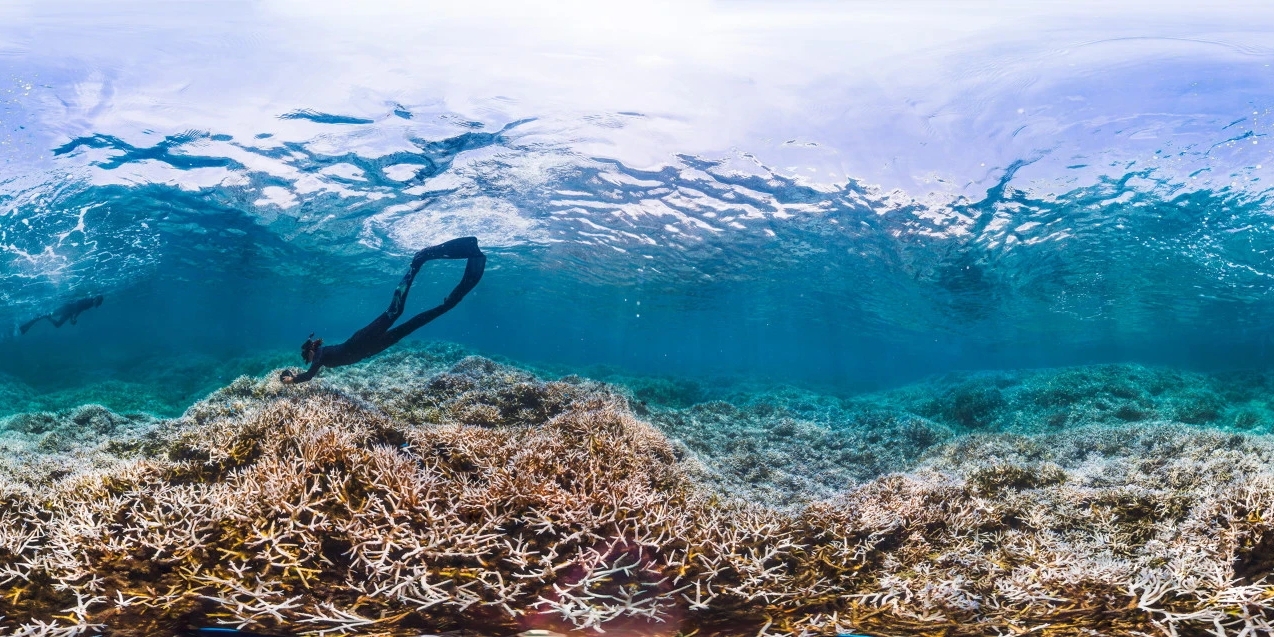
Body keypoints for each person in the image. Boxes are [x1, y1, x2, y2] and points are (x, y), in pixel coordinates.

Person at [280, 236, 486, 384]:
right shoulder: (319, 357)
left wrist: (290, 380)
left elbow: (308, 375)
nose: (306, 360)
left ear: (310, 350)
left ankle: (416, 264)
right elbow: (309, 371)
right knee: (412, 325)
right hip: (369, 349)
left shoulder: (320, 354)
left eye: (305, 356)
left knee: (394, 312)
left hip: (361, 341)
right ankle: (448, 304)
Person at [19, 295, 104, 334]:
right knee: (50, 316)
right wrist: (73, 318)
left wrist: (73, 317)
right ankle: (26, 325)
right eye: (97, 303)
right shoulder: (89, 301)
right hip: (67, 308)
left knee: (57, 324)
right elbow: (78, 306)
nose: (96, 305)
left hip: (70, 311)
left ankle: (45, 316)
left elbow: (79, 309)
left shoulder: (91, 303)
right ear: (96, 299)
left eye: (98, 304)